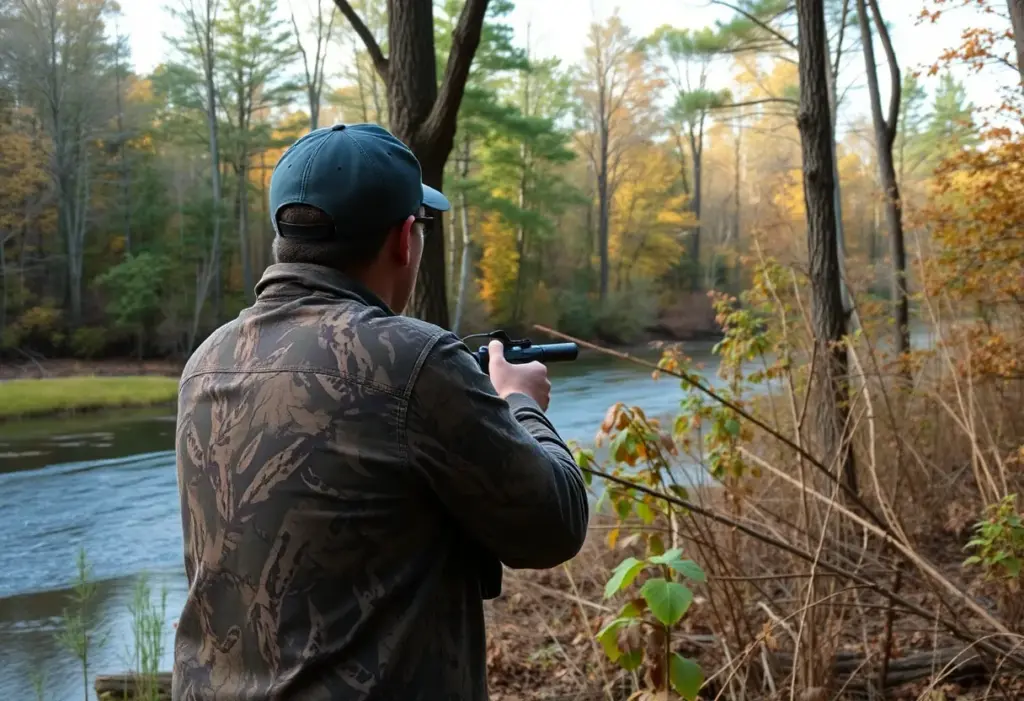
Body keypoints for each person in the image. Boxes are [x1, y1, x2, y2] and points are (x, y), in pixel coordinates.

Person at [172, 122, 589, 701]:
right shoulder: (413, 361)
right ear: (403, 239)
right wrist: (520, 402)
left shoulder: (206, 362)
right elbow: (553, 527)